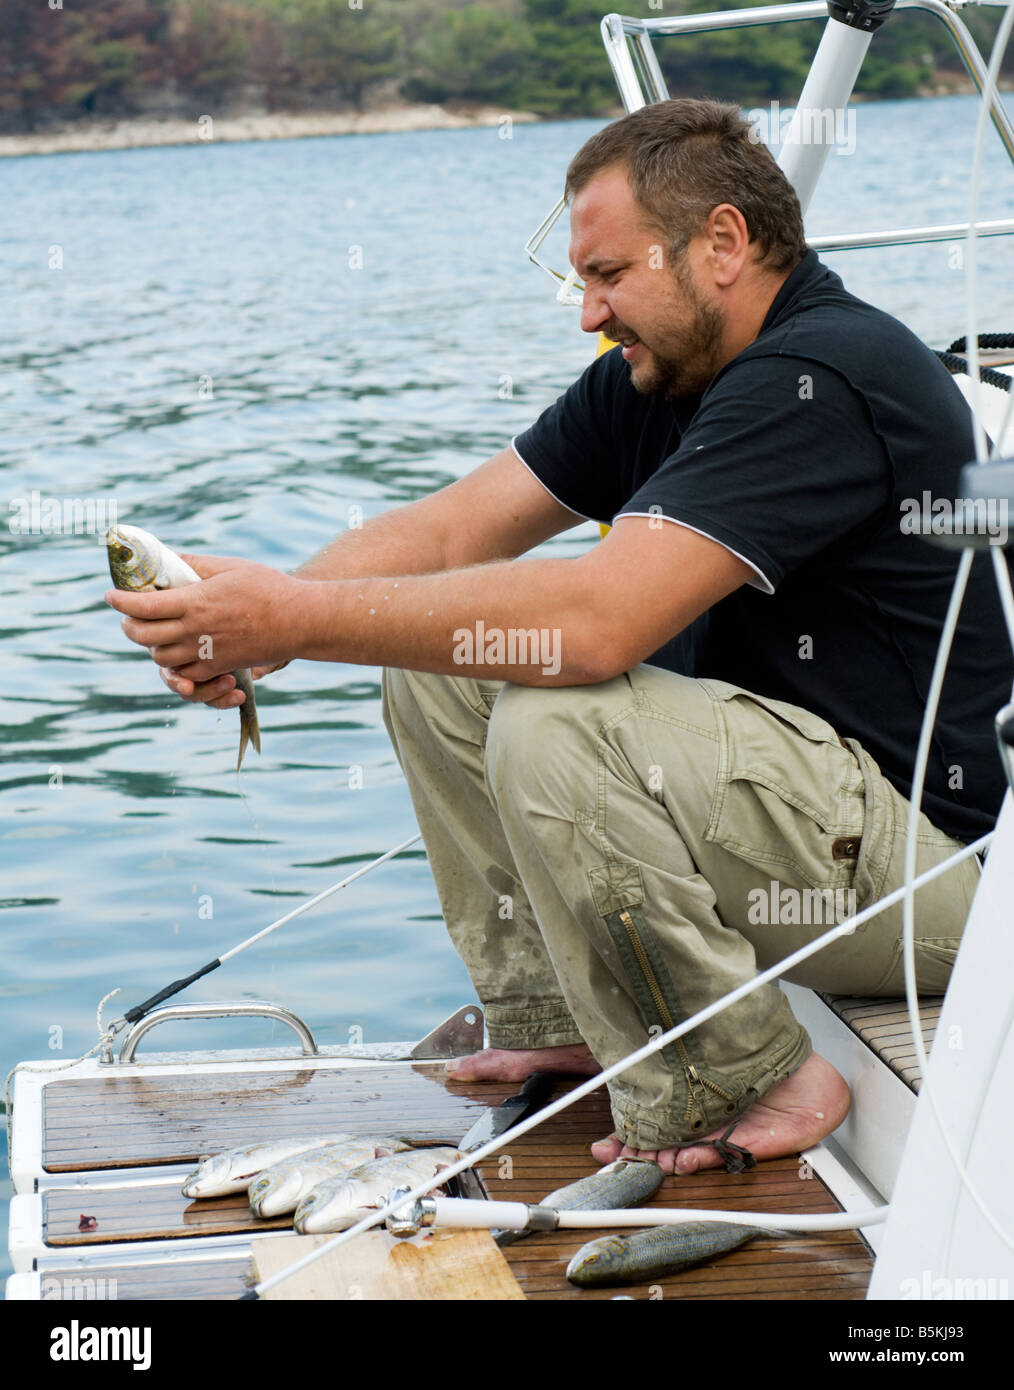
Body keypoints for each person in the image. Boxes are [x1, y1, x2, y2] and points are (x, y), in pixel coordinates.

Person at [106, 99, 1009, 1176]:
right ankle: (560, 1011)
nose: (587, 311)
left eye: (610, 274)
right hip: (800, 831)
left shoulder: (821, 380)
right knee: (445, 673)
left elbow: (595, 627)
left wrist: (294, 618)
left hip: (934, 881)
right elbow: (450, 530)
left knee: (559, 714)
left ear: (721, 243)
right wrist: (264, 619)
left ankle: (749, 1069)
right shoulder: (660, 374)